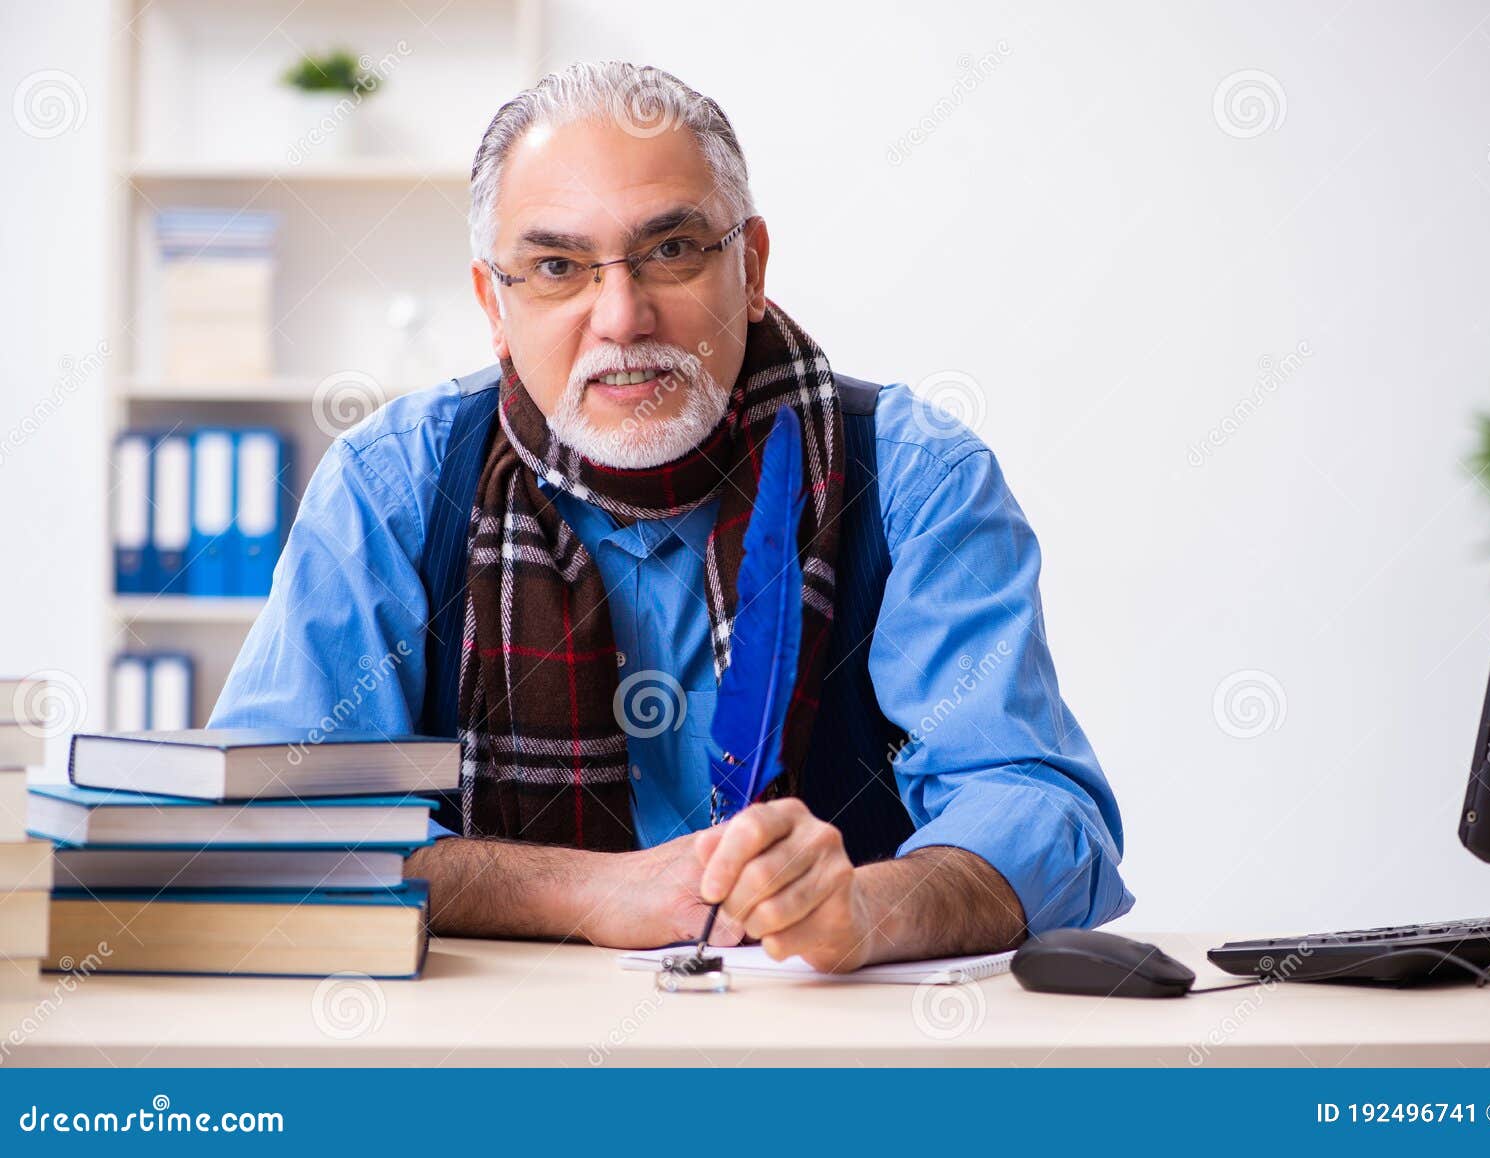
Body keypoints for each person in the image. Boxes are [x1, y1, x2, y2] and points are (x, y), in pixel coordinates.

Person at [211, 61, 1132, 971]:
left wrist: (867, 909)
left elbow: (1044, 817)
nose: (622, 316)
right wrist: (583, 892)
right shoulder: (391, 486)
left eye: (672, 250)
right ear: (494, 304)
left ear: (751, 266)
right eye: (557, 266)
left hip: (830, 1036)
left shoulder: (917, 479)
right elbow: (263, 824)